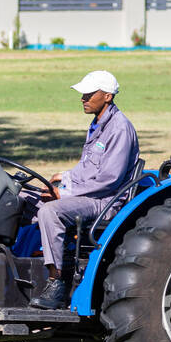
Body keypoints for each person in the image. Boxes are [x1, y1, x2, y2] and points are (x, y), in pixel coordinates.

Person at [26, 70, 139, 310]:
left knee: (51, 212)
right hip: (89, 195)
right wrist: (63, 178)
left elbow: (108, 180)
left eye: (89, 93)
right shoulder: (97, 123)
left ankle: (56, 284)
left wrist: (63, 194)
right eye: (83, 94)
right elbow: (87, 168)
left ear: (107, 96)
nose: (83, 98)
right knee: (24, 197)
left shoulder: (119, 128)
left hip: (104, 201)